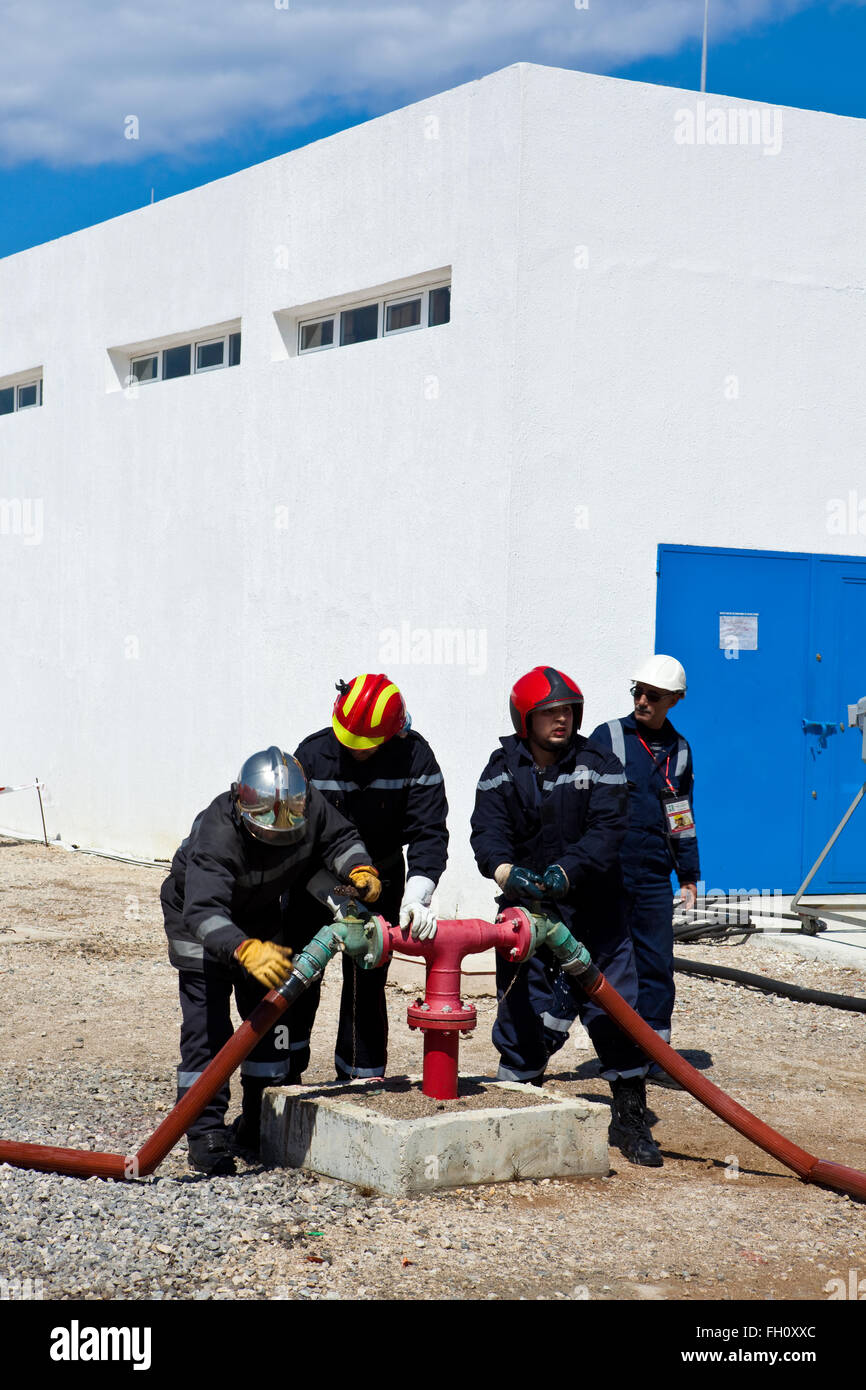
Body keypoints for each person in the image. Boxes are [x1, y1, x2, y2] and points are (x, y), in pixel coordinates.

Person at [470, 666, 662, 1167]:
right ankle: (516, 1105)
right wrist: (506, 871)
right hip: (529, 916)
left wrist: (563, 872)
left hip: (597, 912)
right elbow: (486, 832)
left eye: (567, 711)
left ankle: (629, 1112)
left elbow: (607, 830)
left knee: (615, 1011)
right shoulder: (500, 768)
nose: (561, 719)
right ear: (524, 719)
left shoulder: (598, 762)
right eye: (549, 712)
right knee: (520, 1014)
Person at [160, 746, 381, 1175]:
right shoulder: (217, 833)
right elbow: (203, 911)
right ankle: (205, 1132)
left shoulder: (305, 804)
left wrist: (359, 870)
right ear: (244, 808)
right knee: (208, 1031)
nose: (280, 836)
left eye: (288, 829)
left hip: (259, 916)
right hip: (199, 926)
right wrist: (244, 950)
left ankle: (260, 1121)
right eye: (269, 831)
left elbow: (340, 838)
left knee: (268, 1023)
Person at [281, 673, 449, 1082]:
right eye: (348, 741)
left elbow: (430, 834)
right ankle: (282, 1074)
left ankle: (361, 1078)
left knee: (367, 985)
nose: (354, 753)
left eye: (366, 746)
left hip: (382, 880)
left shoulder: (416, 759)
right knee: (299, 976)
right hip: (313, 878)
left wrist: (417, 896)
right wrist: (328, 893)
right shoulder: (313, 754)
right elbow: (294, 835)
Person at [589, 655, 700, 1089]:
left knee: (655, 963)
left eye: (653, 695)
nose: (642, 700)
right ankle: (605, 1048)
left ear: (675, 700)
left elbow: (681, 815)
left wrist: (688, 873)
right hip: (608, 873)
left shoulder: (681, 752)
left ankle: (658, 1056)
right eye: (637, 691)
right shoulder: (609, 737)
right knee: (601, 961)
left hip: (653, 874)